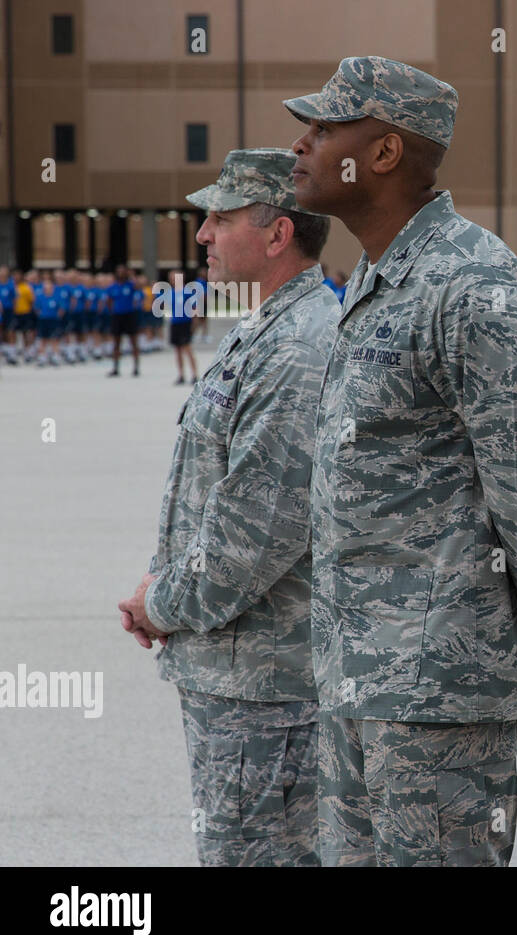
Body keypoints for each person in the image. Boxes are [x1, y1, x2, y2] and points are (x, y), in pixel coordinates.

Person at [286, 56, 517, 867]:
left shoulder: (472, 284)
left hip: (436, 693)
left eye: (322, 128)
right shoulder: (383, 279)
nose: (300, 144)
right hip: (355, 678)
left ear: (383, 153)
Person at [115, 148, 338, 866]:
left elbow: (251, 541)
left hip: (267, 694)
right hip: (236, 674)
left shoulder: (301, 346)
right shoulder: (261, 328)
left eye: (221, 217)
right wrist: (162, 587)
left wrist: (160, 602)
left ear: (277, 233)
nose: (203, 234)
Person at [158, 268, 199, 385]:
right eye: (171, 278)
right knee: (177, 350)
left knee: (188, 349)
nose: (173, 280)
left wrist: (194, 325)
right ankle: (181, 374)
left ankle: (195, 374)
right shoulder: (170, 292)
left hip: (185, 322)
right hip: (175, 322)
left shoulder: (188, 291)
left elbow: (194, 308)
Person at [106, 265, 141, 377]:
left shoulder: (130, 285)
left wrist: (132, 275)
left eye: (122, 272)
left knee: (133, 341)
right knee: (116, 342)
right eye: (119, 271)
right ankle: (116, 367)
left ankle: (136, 367)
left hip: (129, 315)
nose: (120, 273)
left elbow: (138, 286)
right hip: (117, 316)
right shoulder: (113, 287)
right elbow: (109, 300)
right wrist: (112, 312)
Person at [33, 274, 63, 366]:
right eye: (46, 287)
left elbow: (61, 309)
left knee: (55, 338)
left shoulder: (56, 296)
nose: (48, 289)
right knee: (42, 338)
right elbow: (37, 308)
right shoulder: (40, 297)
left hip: (53, 320)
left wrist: (56, 316)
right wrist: (42, 315)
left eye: (49, 287)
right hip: (43, 320)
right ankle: (42, 357)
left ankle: (56, 356)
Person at [0, 265, 15, 366]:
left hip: (9, 310)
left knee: (10, 331)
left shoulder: (10, 284)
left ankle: (11, 353)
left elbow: (14, 298)